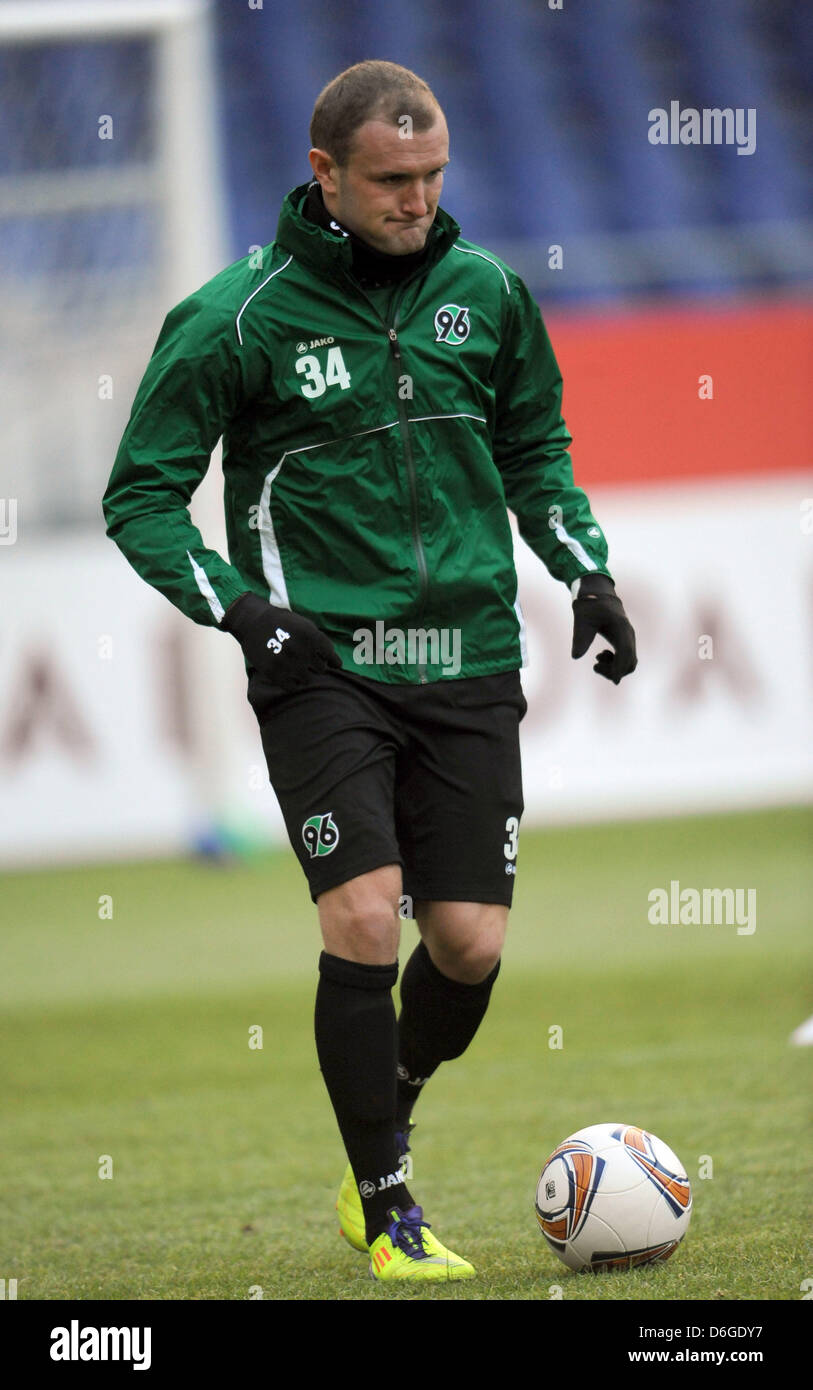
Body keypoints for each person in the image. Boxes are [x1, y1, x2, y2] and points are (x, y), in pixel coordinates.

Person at [102, 59, 637, 1284]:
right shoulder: (236, 317)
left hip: (468, 659)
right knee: (362, 917)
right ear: (323, 173)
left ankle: (376, 1128)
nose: (418, 198)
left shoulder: (491, 295)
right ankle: (392, 1211)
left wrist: (587, 574)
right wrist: (243, 611)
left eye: (435, 174)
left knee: (468, 945)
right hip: (321, 661)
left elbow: (536, 452)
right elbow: (140, 496)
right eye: (393, 180)